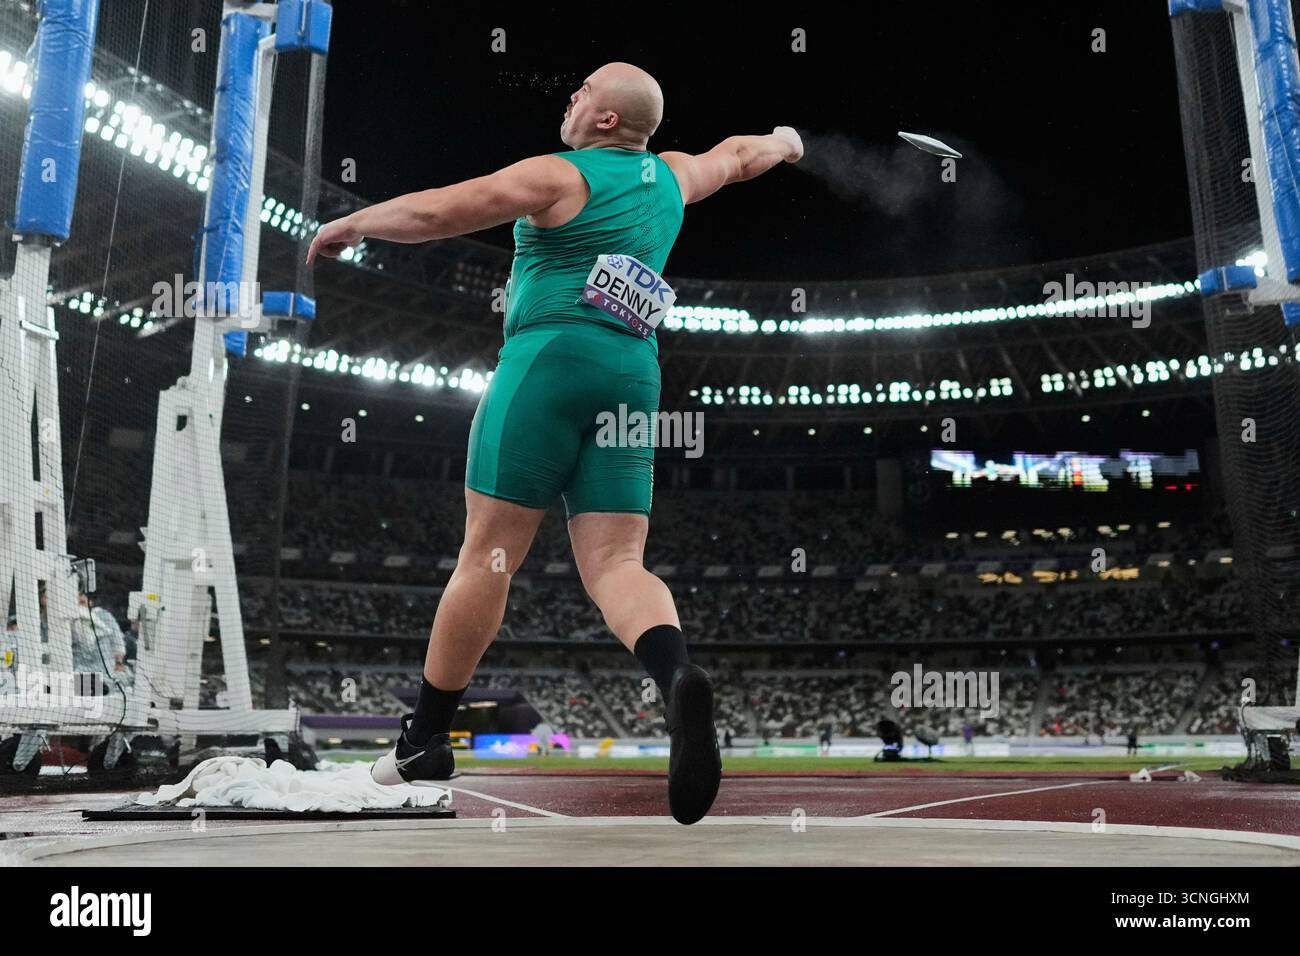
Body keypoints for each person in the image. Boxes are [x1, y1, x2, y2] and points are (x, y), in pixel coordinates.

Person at [308, 63, 802, 825]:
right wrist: (784, 140)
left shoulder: (560, 174)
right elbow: (737, 156)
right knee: (617, 564)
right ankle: (674, 679)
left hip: (548, 362)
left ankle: (425, 742)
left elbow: (445, 210)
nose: (570, 97)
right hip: (633, 374)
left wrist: (353, 223)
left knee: (489, 555)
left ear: (606, 120)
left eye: (583, 92)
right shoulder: (671, 177)